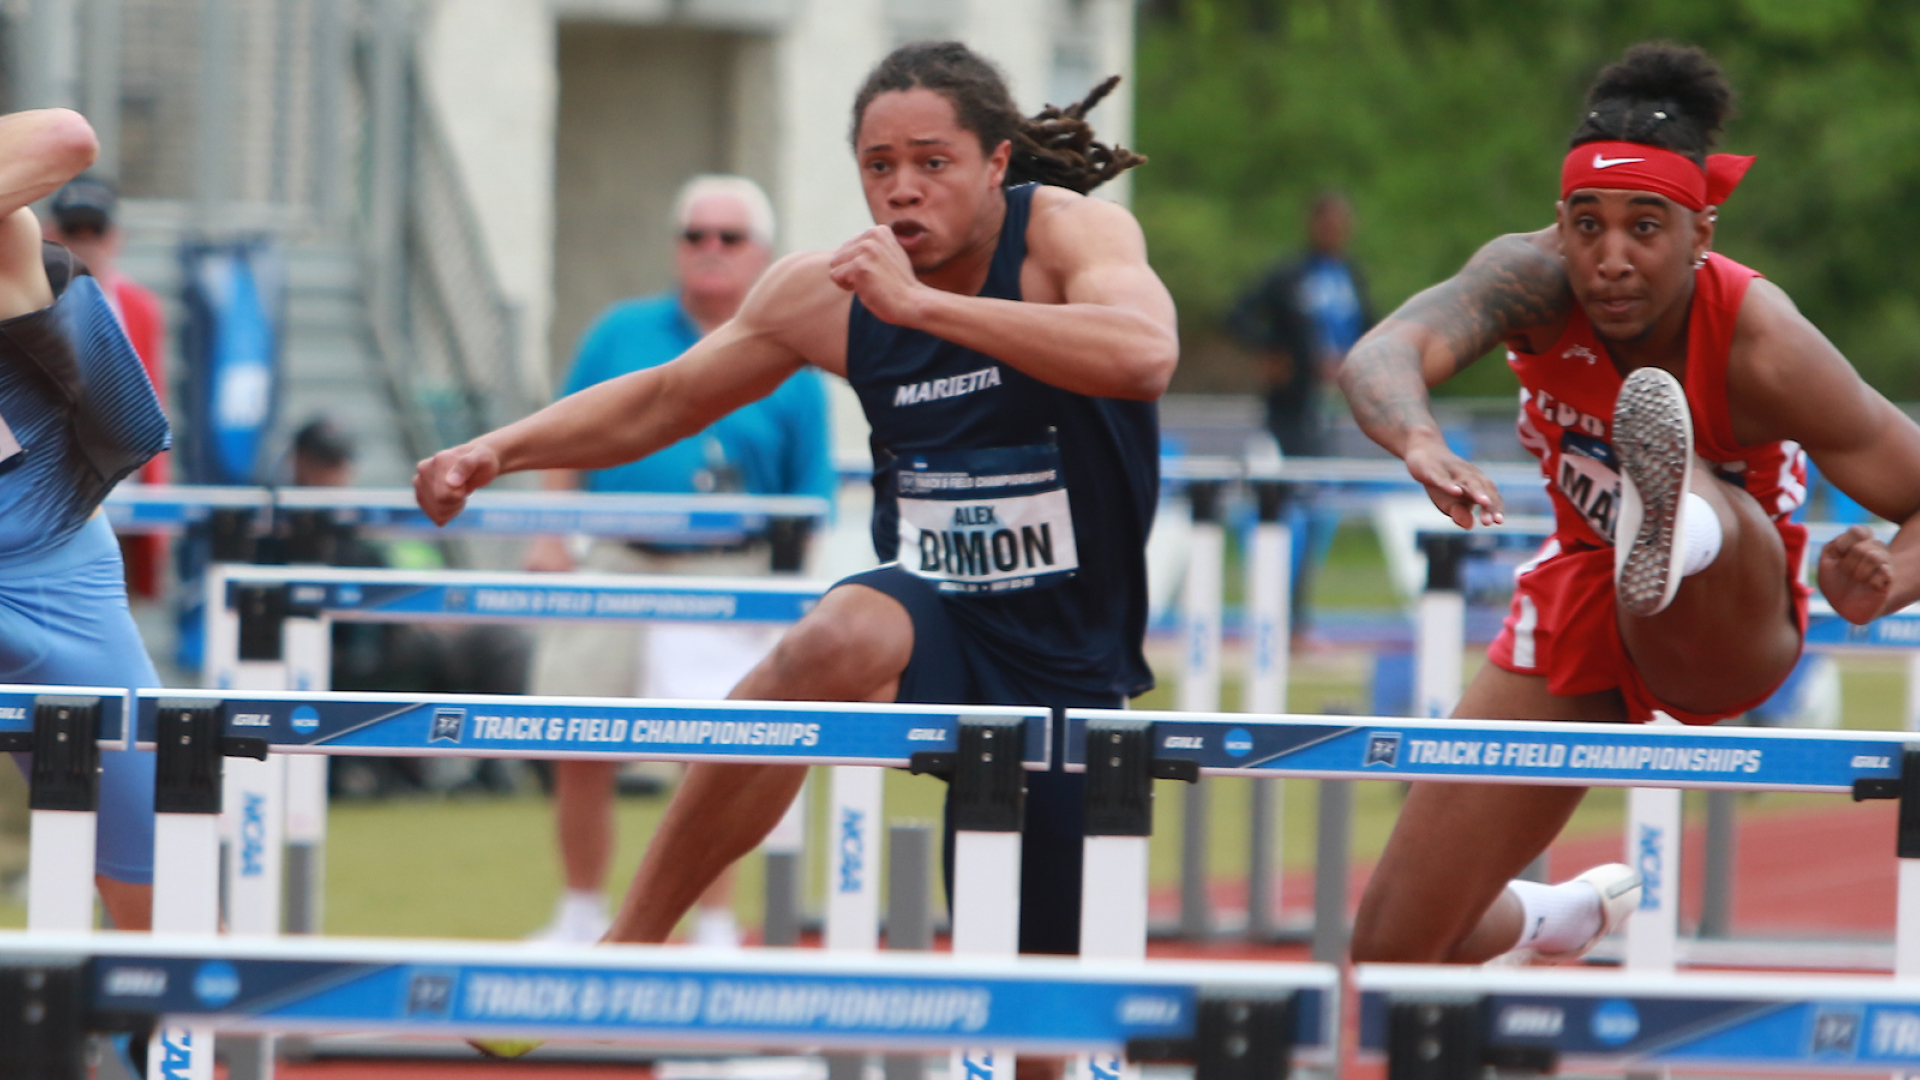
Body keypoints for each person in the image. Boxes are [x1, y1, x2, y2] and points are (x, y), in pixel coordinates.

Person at [416, 39, 1170, 988]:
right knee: (830, 637)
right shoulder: (827, 293)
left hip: (1071, 656)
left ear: (997, 165)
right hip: (938, 626)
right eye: (879, 167)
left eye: (933, 164)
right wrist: (499, 450)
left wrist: (929, 312)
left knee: (1029, 1009)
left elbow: (1144, 352)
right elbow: (663, 399)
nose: (902, 191)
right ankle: (630, 947)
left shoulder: (1064, 237)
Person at [1337, 42, 1920, 966]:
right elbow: (1381, 354)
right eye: (1587, 224)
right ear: (1559, 226)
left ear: (1702, 236)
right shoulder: (1528, 277)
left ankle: (1678, 518)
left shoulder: (1764, 340)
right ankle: (1544, 920)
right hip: (1583, 597)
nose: (1609, 258)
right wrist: (1419, 440)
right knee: (1389, 952)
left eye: (1645, 228)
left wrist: (1884, 584)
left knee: (1694, 481)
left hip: (1728, 619)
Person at [523, 174, 835, 946]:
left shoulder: (794, 353)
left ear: (761, 253)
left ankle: (715, 923)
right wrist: (552, 532)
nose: (710, 251)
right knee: (576, 734)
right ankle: (580, 911)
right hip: (620, 557)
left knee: (720, 749)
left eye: (729, 238)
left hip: (727, 571)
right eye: (695, 235)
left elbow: (810, 492)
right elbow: (566, 437)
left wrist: (792, 596)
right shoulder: (620, 333)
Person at [0, 109, 170, 933]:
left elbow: (67, 137)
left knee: (161, 899)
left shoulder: (6, 232)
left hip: (52, 574)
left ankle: (157, 1058)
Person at [1227, 192, 1373, 634]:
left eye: (1342, 222)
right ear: (1312, 224)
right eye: (1327, 221)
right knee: (1283, 509)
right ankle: (1277, 615)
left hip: (1329, 412)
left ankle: (1299, 616)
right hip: (1289, 412)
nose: (1335, 231)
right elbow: (1236, 316)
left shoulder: (1351, 277)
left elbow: (1374, 329)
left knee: (1316, 513)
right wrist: (1272, 353)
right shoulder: (1288, 276)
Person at [44, 175, 170, 599]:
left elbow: (153, 403)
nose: (84, 242)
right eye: (71, 230)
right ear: (49, 233)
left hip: (116, 499)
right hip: (47, 504)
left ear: (113, 237)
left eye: (94, 230)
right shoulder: (25, 302)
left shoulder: (140, 310)